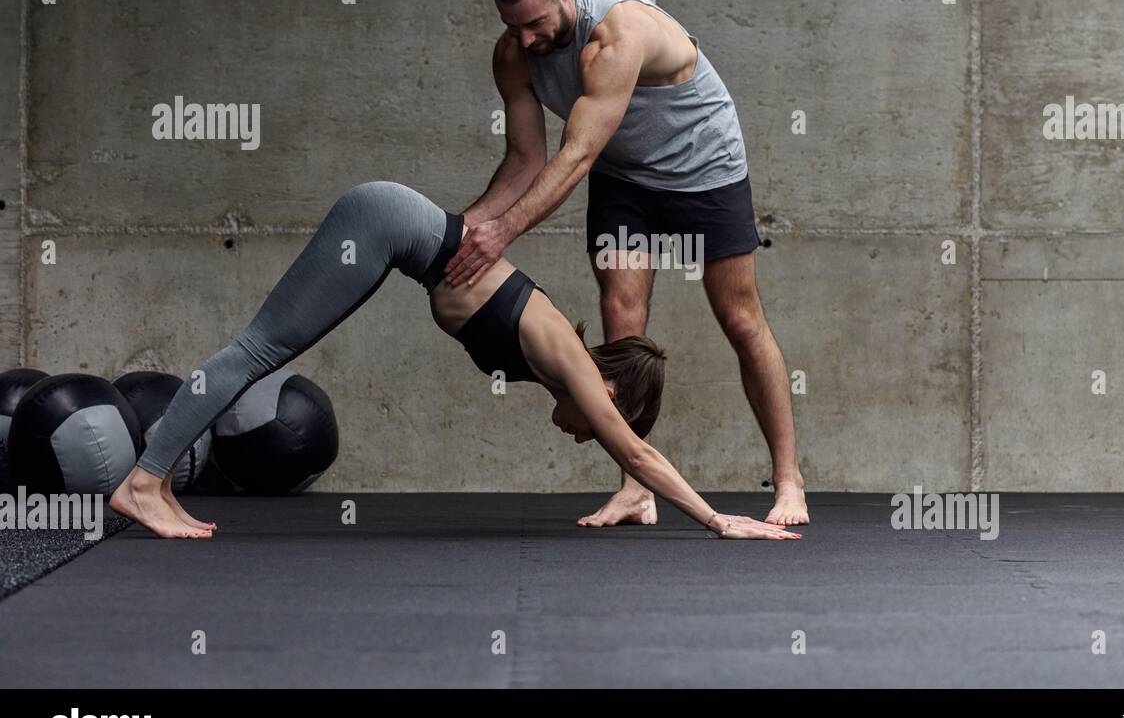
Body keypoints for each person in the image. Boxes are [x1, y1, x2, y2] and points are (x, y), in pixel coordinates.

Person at [108, 181, 801, 542]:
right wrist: (717, 519)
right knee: (260, 348)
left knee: (261, 349)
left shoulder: (562, 362)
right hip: (382, 223)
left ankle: (158, 480)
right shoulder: (577, 366)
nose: (583, 435)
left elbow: (630, 454)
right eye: (598, 428)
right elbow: (641, 457)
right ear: (611, 395)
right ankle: (143, 482)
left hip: (393, 234)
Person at [443, 0, 808, 527]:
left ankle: (789, 480)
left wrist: (505, 233)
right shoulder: (514, 52)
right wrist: (468, 227)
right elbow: (524, 158)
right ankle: (636, 487)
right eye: (514, 26)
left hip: (703, 170)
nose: (528, 40)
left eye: (537, 23)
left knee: (740, 319)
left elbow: (578, 153)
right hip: (625, 179)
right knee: (620, 310)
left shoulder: (618, 32)